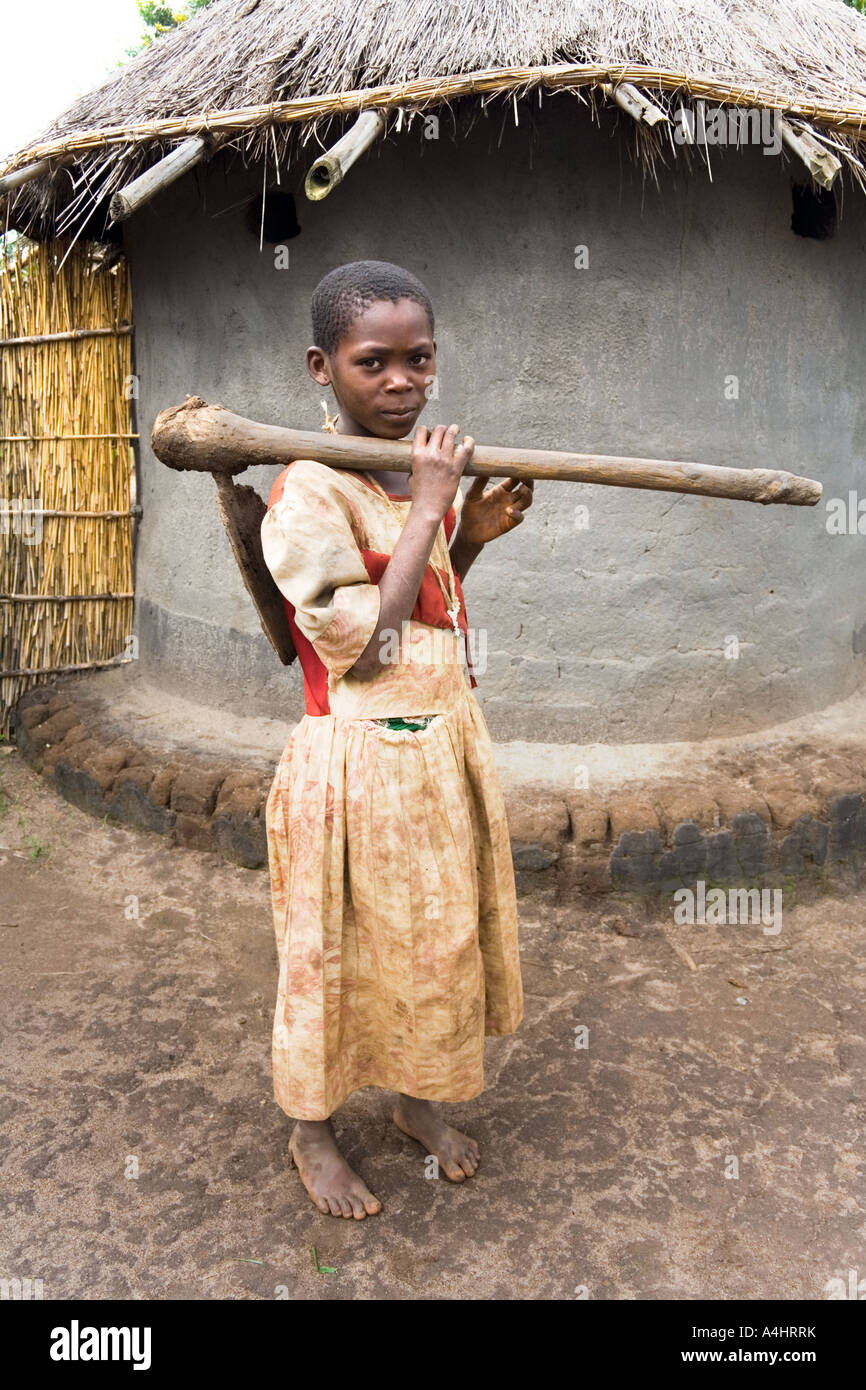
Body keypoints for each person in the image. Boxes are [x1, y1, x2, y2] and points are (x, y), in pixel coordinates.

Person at [260, 260, 533, 1219]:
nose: (402, 383)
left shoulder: (413, 477)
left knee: (431, 947)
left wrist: (472, 536)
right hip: (354, 769)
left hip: (437, 759)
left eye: (419, 360)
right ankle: (312, 1132)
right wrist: (428, 505)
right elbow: (365, 650)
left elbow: (418, 602)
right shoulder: (306, 495)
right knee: (332, 952)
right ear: (320, 367)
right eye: (372, 362)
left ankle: (417, 1102)